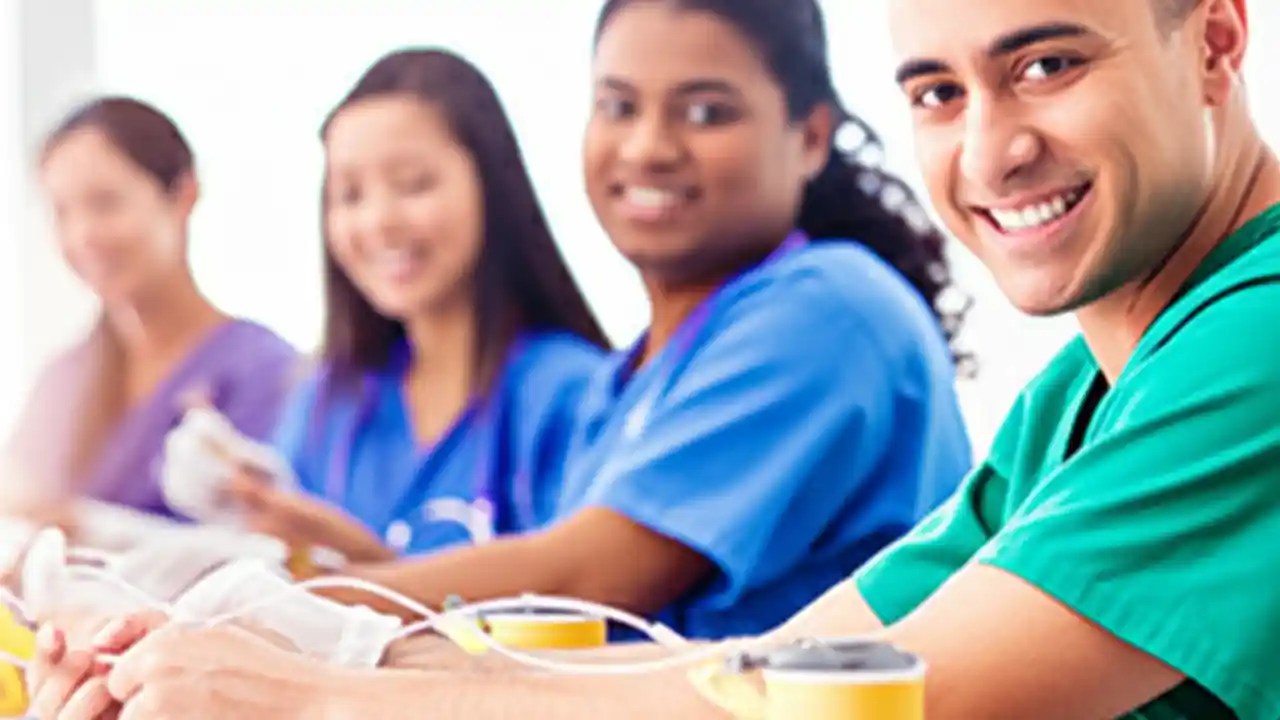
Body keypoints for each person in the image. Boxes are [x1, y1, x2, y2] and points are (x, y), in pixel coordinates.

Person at [29, 0, 1280, 718]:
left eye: (1047, 64)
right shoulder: (1079, 393)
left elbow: (879, 705)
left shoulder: (1255, 339)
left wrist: (310, 689)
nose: (992, 147)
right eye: (939, 94)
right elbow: (763, 669)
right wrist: (308, 643)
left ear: (1216, 39)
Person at [167, 49, 612, 563]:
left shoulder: (568, 394)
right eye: (350, 194)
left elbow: (576, 617)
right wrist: (244, 502)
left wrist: (368, 564)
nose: (379, 221)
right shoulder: (327, 402)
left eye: (413, 185)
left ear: (492, 186)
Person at [0, 97, 298, 528]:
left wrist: (81, 525)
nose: (82, 234)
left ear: (184, 195)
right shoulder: (63, 382)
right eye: (62, 211)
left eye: (104, 203)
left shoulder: (266, 373)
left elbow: (269, 551)